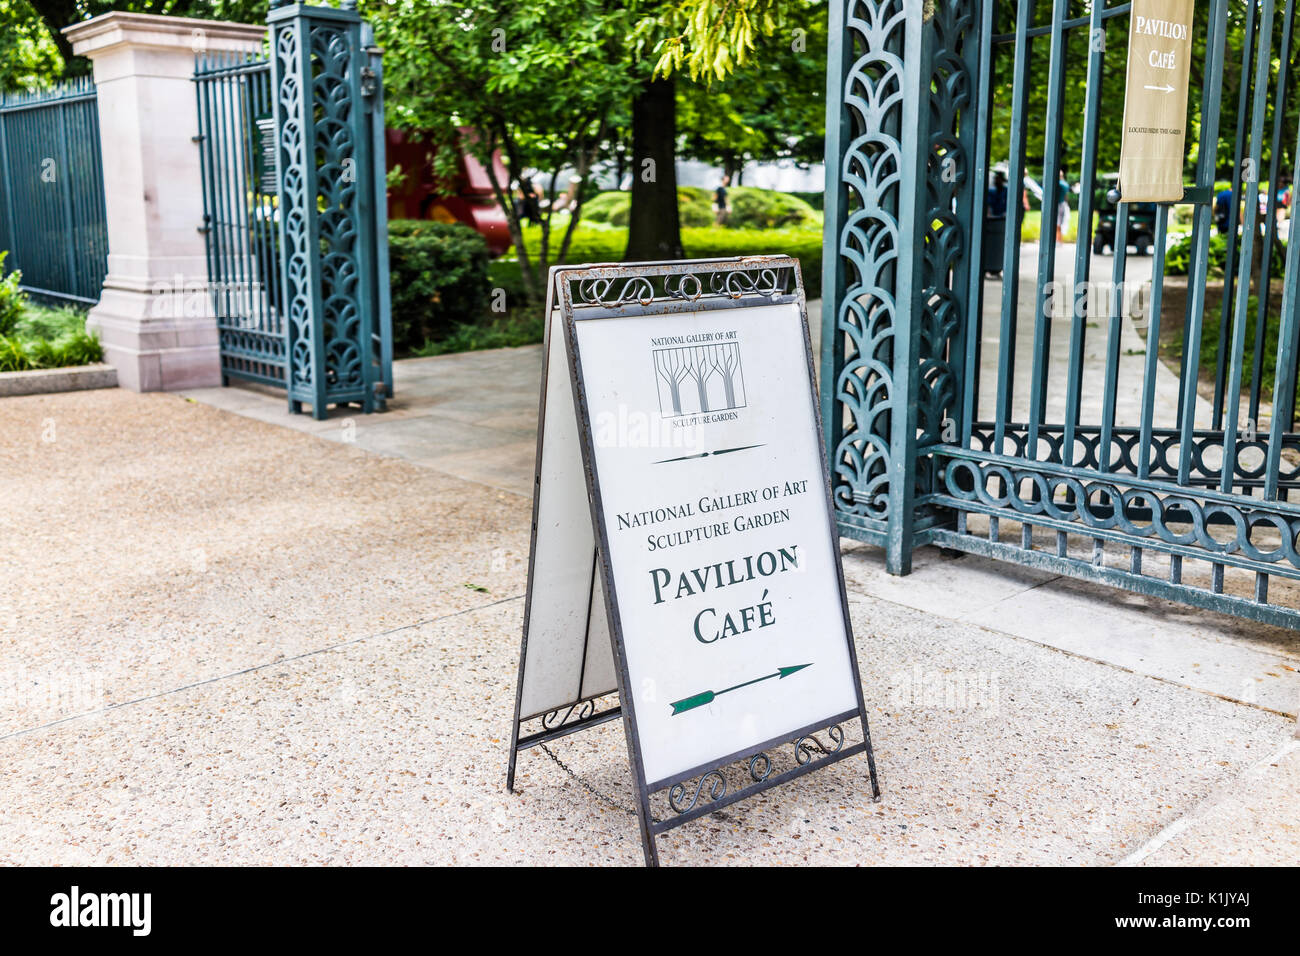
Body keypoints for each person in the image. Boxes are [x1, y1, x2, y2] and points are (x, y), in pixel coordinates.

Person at [1056, 170, 1071, 243]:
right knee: (1061, 222)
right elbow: (1066, 196)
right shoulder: (1065, 184)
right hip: (1063, 204)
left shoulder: (1058, 184)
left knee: (1057, 222)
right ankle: (1059, 239)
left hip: (1058, 204)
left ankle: (1058, 239)